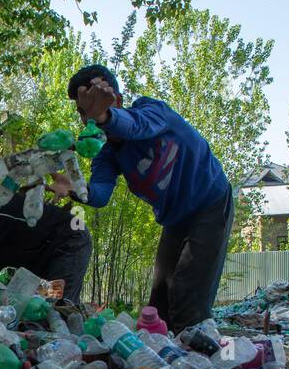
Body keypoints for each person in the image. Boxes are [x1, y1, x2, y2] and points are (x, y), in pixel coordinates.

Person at [49, 64, 234, 335]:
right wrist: (75, 187)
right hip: (175, 220)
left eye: (92, 106)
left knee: (188, 300)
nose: (86, 116)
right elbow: (99, 195)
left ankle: (206, 368)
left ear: (117, 101)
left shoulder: (152, 111)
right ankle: (165, 367)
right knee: (158, 307)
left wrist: (104, 115)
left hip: (210, 203)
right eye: (82, 111)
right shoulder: (107, 155)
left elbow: (134, 126)